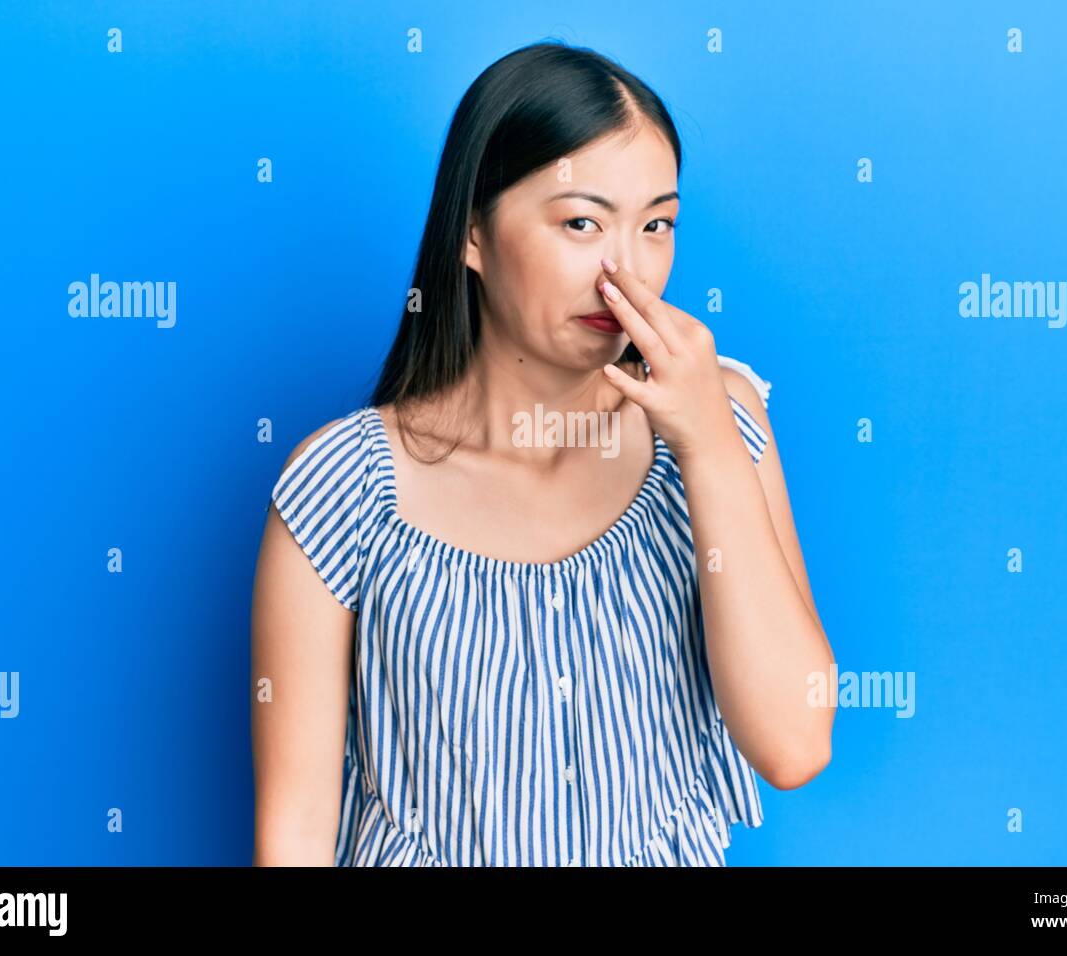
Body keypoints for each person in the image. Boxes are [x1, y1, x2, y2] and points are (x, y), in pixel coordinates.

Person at [251, 40, 835, 866]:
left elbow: (794, 743)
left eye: (657, 225)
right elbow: (296, 832)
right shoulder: (343, 487)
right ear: (473, 236)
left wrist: (705, 445)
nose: (624, 273)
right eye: (581, 223)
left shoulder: (721, 420)